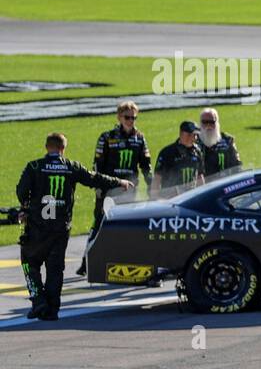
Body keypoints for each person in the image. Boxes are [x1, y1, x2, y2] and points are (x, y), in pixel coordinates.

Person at [17, 133, 132, 321]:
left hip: (38, 227)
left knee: (30, 262)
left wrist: (26, 206)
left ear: (47, 147)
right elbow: (94, 178)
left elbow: (21, 191)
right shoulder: (70, 166)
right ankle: (52, 310)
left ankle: (38, 301)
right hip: (60, 228)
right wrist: (119, 182)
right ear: (63, 148)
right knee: (55, 268)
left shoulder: (34, 166)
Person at [77, 100, 151, 276]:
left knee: (128, 227)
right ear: (119, 117)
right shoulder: (106, 137)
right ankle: (86, 262)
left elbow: (146, 166)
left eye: (134, 117)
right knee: (99, 225)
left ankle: (126, 261)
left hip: (130, 190)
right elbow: (97, 165)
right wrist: (99, 187)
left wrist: (151, 185)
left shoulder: (140, 138)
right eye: (127, 117)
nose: (130, 121)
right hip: (108, 190)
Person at [152, 121, 207, 198]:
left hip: (191, 198)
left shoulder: (197, 152)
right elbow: (157, 179)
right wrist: (156, 198)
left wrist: (203, 195)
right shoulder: (167, 153)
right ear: (182, 134)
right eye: (191, 135)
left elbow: (200, 177)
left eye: (196, 135)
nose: (195, 138)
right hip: (171, 199)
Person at [198, 107, 242, 178]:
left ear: (217, 123)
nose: (208, 126)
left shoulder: (228, 141)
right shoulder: (193, 141)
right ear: (200, 123)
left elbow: (237, 165)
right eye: (205, 122)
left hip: (223, 183)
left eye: (212, 122)